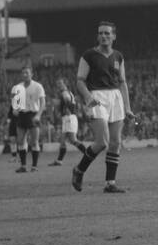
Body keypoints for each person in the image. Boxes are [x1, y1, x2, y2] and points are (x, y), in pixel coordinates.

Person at [72, 21, 134, 193]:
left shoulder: (118, 56)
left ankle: (110, 183)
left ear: (114, 36)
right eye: (100, 33)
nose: (103, 36)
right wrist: (88, 97)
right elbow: (80, 81)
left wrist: (128, 107)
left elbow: (122, 83)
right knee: (102, 142)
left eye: (107, 33)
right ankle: (79, 170)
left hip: (115, 97)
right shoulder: (89, 55)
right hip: (96, 96)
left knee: (115, 142)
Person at [11, 65, 47, 173]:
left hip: (33, 115)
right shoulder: (17, 87)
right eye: (23, 73)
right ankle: (23, 166)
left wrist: (38, 115)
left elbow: (43, 103)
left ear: (32, 74)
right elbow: (15, 103)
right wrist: (15, 109)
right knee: (20, 141)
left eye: (27, 73)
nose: (25, 75)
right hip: (22, 115)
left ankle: (34, 166)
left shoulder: (38, 86)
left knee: (34, 142)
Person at [49, 77, 86, 166]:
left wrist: (58, 105)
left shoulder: (65, 93)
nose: (59, 85)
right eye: (58, 84)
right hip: (67, 118)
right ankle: (59, 160)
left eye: (60, 83)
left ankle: (87, 153)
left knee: (73, 140)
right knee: (62, 141)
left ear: (65, 84)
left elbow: (68, 104)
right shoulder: (66, 93)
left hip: (69, 117)